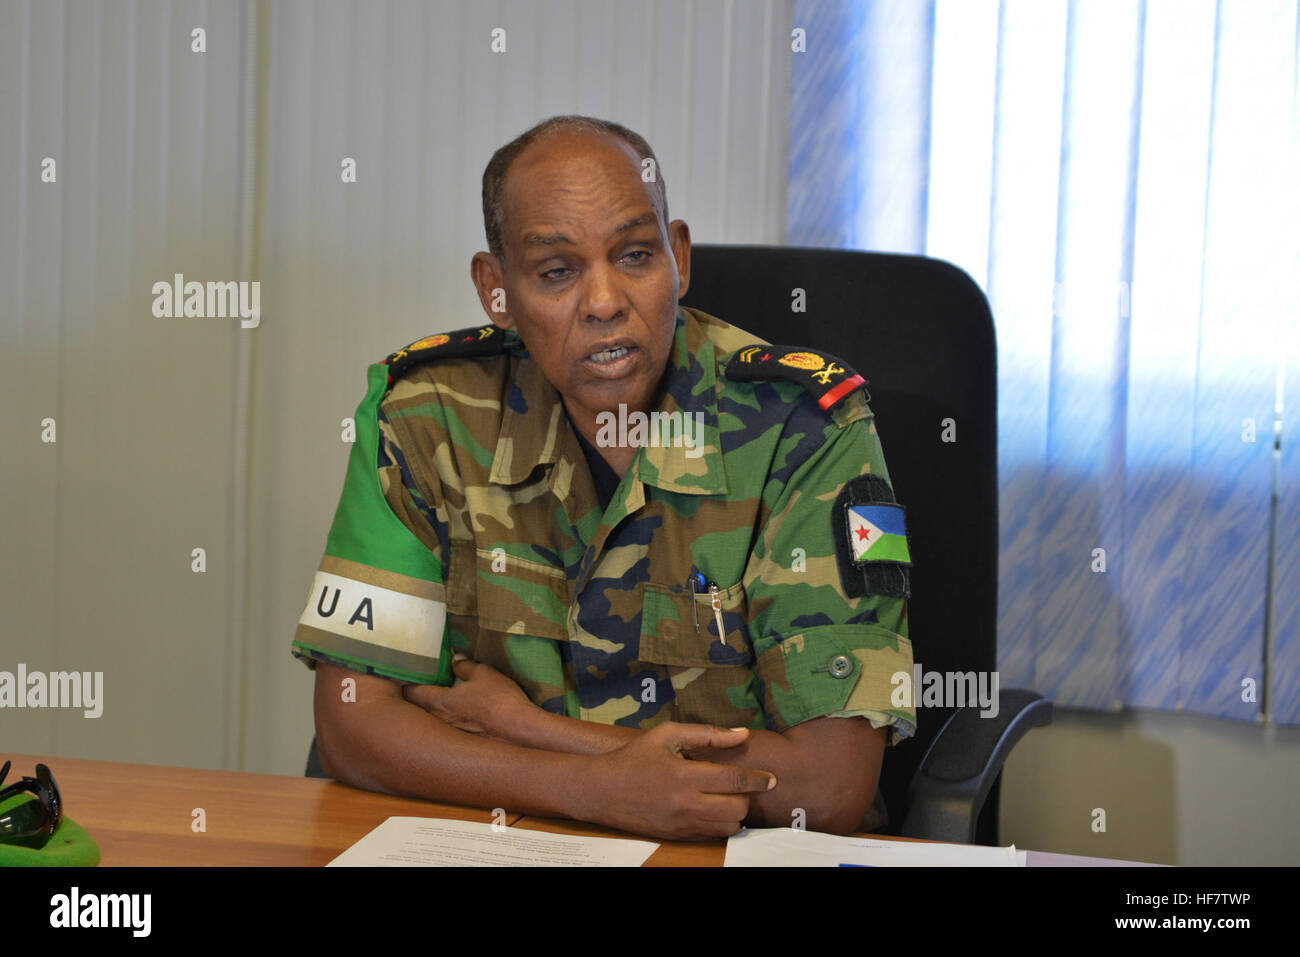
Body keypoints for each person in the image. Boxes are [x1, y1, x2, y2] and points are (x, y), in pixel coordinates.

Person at [291, 115, 916, 841]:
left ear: (678, 258)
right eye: (557, 271)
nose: (604, 301)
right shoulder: (425, 422)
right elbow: (350, 721)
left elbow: (829, 786)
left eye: (636, 255)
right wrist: (588, 787)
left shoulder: (808, 432)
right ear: (496, 290)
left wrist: (522, 727)